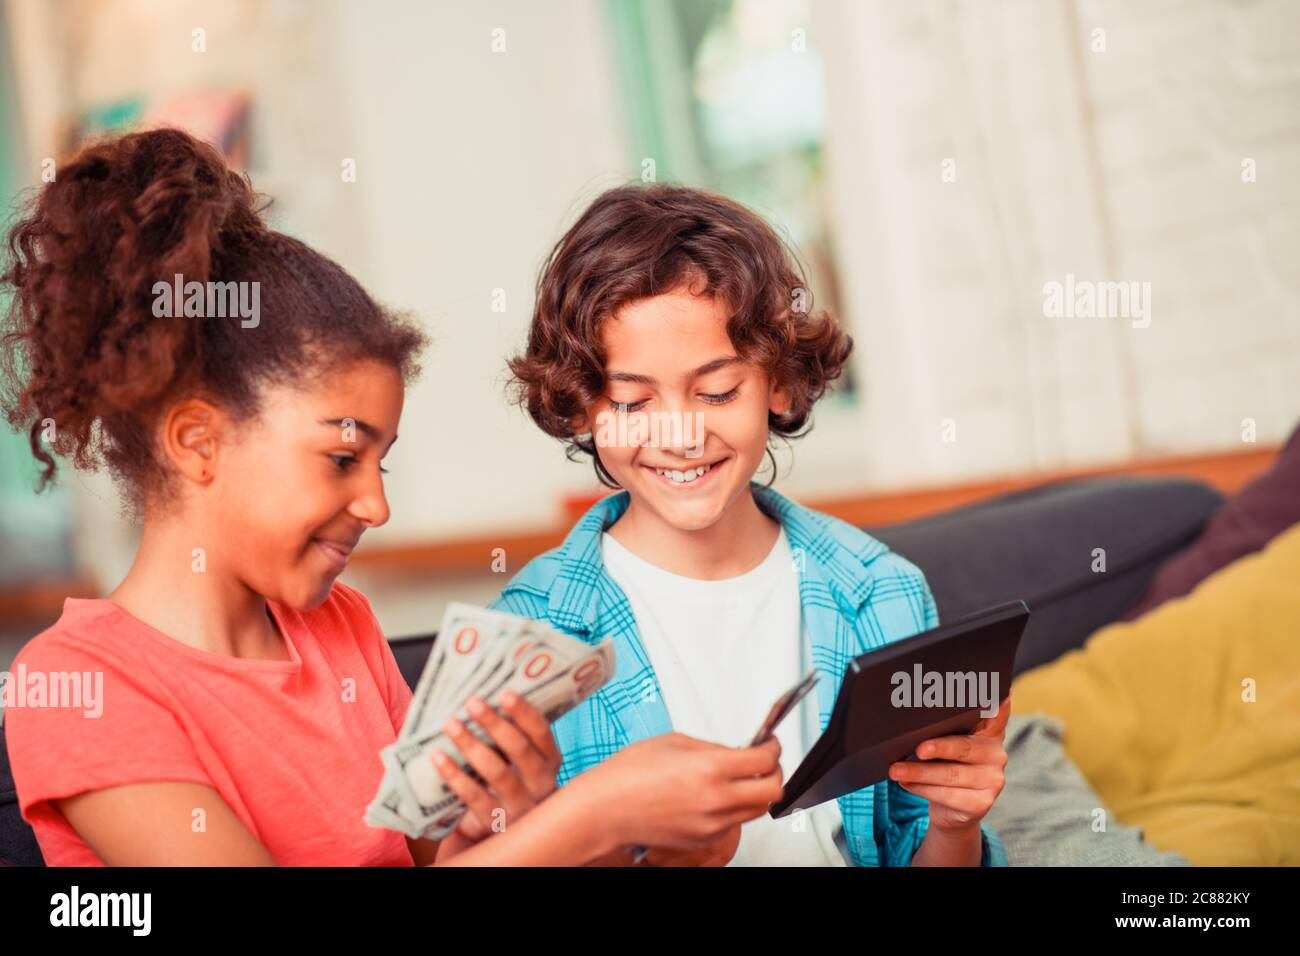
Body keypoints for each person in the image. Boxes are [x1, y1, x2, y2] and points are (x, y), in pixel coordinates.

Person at [0, 129, 781, 866]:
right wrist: (591, 817)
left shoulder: (341, 627)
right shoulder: (84, 686)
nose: (376, 506)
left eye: (383, 463)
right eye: (342, 457)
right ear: (198, 443)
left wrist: (596, 838)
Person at [493, 183, 1011, 865]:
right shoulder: (533, 630)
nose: (679, 435)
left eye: (716, 392)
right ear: (585, 408)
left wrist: (953, 824)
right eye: (632, 400)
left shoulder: (883, 590)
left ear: (780, 383)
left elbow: (915, 844)